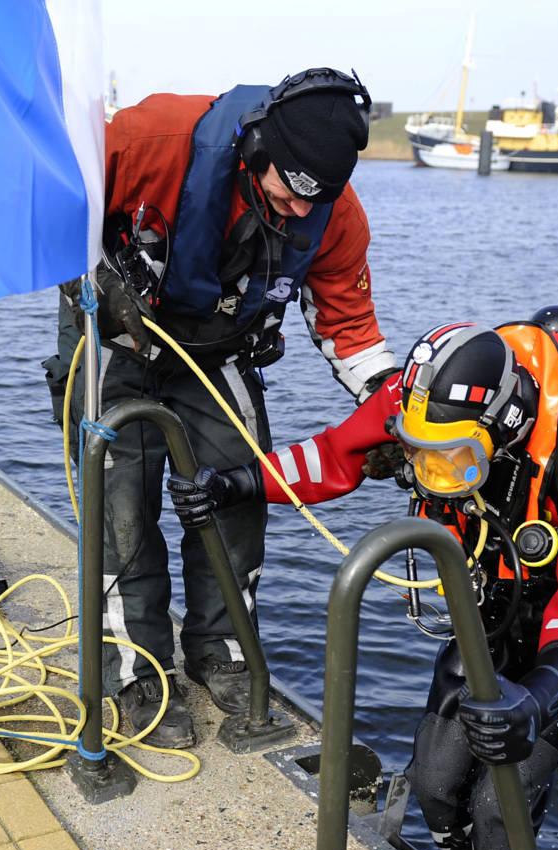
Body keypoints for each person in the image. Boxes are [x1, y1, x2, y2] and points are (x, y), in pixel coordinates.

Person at [169, 318, 558, 850]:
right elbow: (334, 456)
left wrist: (542, 692)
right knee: (433, 781)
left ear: (503, 425)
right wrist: (238, 483)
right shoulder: (420, 396)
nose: (431, 475)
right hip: (494, 595)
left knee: (501, 802)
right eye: (418, 452)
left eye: (448, 458)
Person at [42, 68, 400, 749]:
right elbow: (55, 205)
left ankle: (220, 652)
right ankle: (135, 670)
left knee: (237, 497)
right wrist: (98, 278)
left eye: (316, 202)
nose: (300, 214)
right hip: (115, 333)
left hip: (219, 351)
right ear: (256, 147)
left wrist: (392, 412)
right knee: (123, 508)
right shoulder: (152, 137)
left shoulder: (333, 214)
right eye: (288, 194)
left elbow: (349, 325)